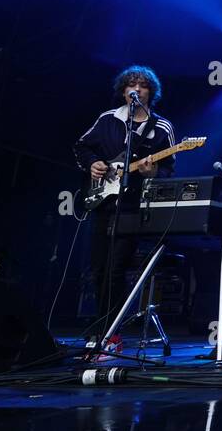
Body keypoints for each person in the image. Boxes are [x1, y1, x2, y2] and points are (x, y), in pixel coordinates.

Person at [72, 65, 176, 337]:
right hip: (103, 201)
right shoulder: (107, 119)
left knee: (116, 269)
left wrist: (153, 172)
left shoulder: (162, 127)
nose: (136, 89)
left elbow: (168, 170)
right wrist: (92, 163)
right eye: (131, 84)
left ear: (151, 92)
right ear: (122, 91)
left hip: (133, 205)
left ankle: (109, 332)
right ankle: (99, 326)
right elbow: (81, 146)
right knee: (98, 269)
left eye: (142, 85)